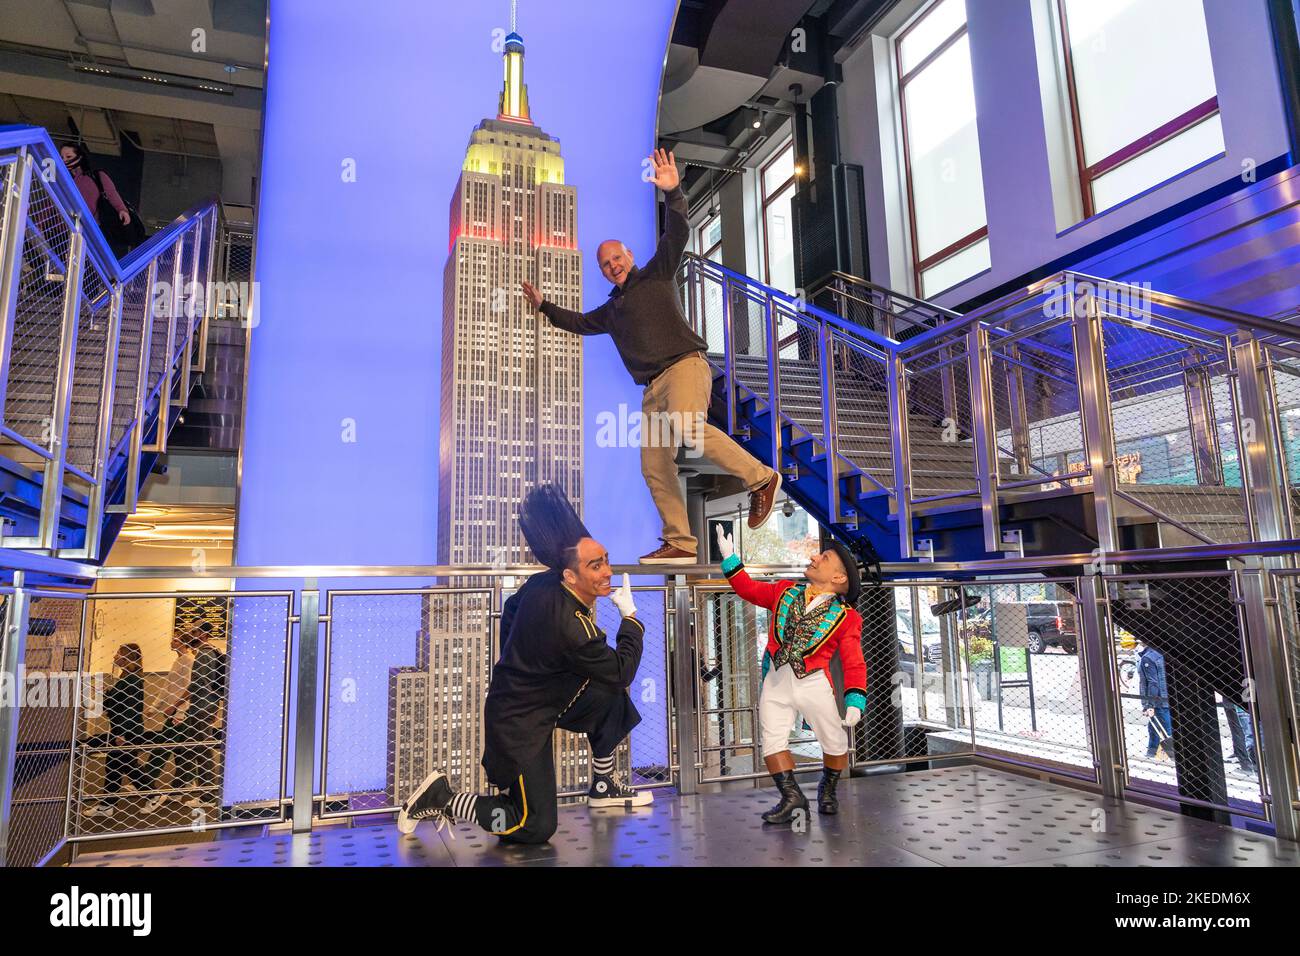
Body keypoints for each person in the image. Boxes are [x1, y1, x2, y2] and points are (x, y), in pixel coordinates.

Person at [520, 148, 781, 565]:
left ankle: (762, 479)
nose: (612, 266)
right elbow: (579, 322)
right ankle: (680, 541)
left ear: (630, 257)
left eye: (617, 258)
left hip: (683, 367)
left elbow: (676, 232)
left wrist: (673, 191)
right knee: (654, 464)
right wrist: (544, 306)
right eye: (605, 265)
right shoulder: (611, 311)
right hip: (652, 389)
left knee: (688, 429)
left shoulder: (657, 273)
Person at [398, 484, 652, 844]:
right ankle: (443, 798)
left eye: (606, 560)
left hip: (550, 697)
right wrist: (630, 619)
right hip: (519, 718)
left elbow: (512, 610)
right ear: (570, 576)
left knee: (611, 699)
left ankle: (602, 784)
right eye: (595, 566)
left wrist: (522, 662)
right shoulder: (573, 626)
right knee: (533, 825)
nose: (607, 571)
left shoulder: (544, 582)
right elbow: (622, 670)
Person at [716, 525, 867, 823]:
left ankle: (828, 788)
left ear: (839, 578)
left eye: (823, 557)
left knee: (834, 740)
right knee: (772, 741)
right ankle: (792, 798)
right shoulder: (784, 591)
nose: (814, 557)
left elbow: (854, 662)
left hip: (814, 684)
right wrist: (730, 558)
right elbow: (748, 589)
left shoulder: (847, 617)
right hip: (775, 681)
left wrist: (855, 699)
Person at [84, 643, 150, 819]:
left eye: (118, 653)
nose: (114, 657)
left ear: (127, 657)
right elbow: (117, 703)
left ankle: (152, 795)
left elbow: (129, 709)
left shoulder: (131, 680)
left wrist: (121, 734)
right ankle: (108, 805)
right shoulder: (128, 677)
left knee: (122, 765)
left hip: (125, 732)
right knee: (117, 766)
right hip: (124, 730)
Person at [60, 142, 135, 256]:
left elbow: (112, 194)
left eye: (69, 156)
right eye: (62, 157)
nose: (64, 160)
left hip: (94, 229)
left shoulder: (96, 176)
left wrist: (122, 210)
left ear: (80, 157)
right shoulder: (62, 180)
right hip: (65, 229)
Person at [1138, 641, 1174, 761]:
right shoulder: (1161, 653)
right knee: (1154, 725)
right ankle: (1152, 751)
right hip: (1166, 696)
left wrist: (1149, 705)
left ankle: (1170, 754)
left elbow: (1152, 683)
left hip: (1157, 699)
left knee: (1164, 727)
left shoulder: (1148, 658)